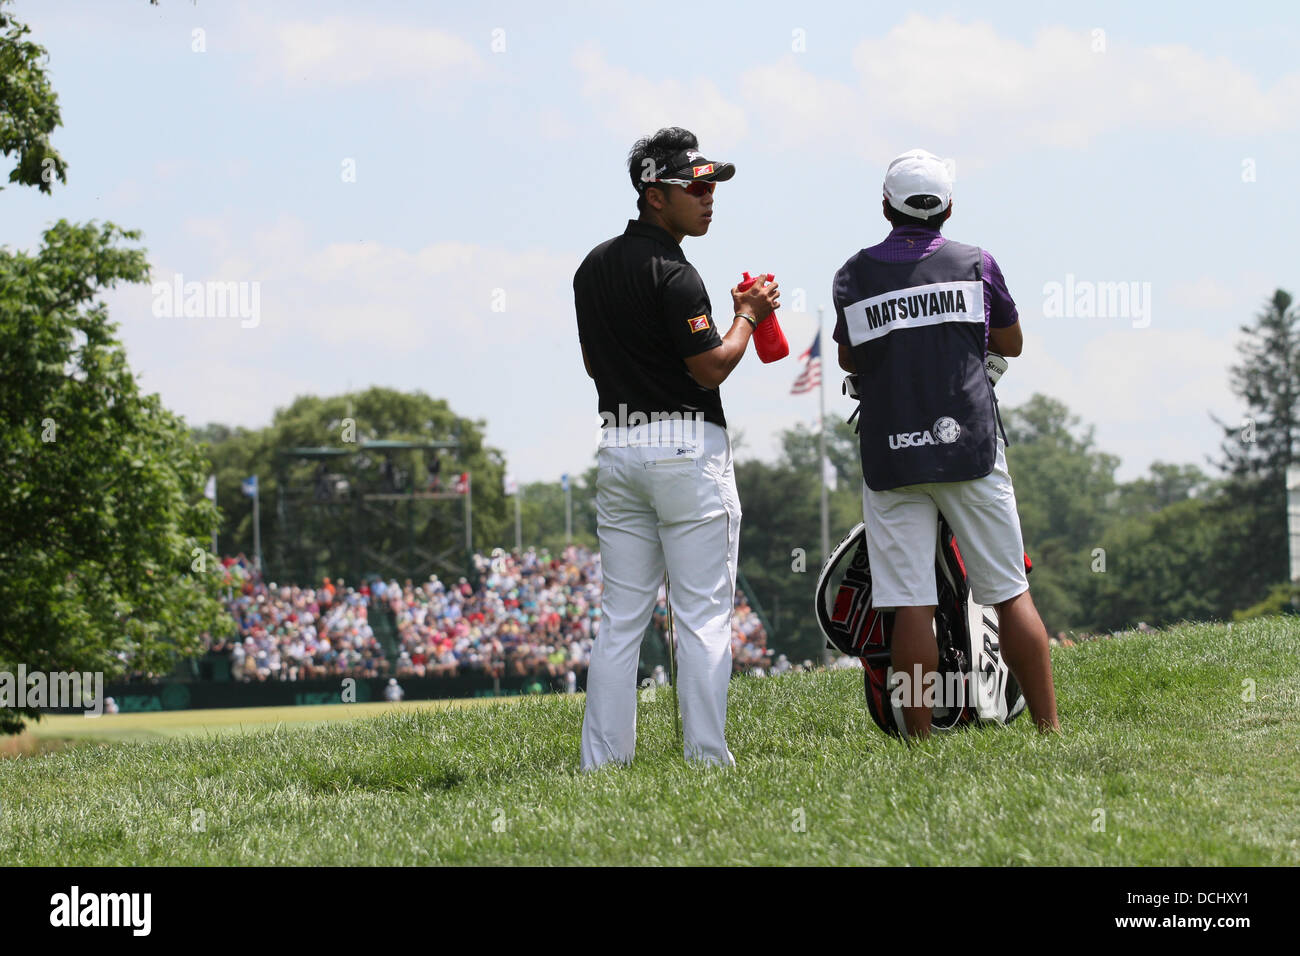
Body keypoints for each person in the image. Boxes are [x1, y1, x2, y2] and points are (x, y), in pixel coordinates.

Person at [831, 148, 1060, 738]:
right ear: (948, 206)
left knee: (911, 603)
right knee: (1010, 593)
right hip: (971, 448)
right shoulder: (976, 262)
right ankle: (1048, 730)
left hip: (891, 451)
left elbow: (849, 356)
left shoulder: (853, 274)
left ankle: (920, 743)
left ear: (885, 206)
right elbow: (1010, 343)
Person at [573, 126, 779, 769]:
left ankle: (603, 765)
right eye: (696, 185)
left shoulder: (591, 266)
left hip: (619, 446)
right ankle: (708, 762)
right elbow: (710, 368)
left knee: (620, 621)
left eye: (712, 183)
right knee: (702, 617)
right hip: (686, 449)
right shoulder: (676, 273)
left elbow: (593, 366)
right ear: (654, 194)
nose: (708, 195)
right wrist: (746, 311)